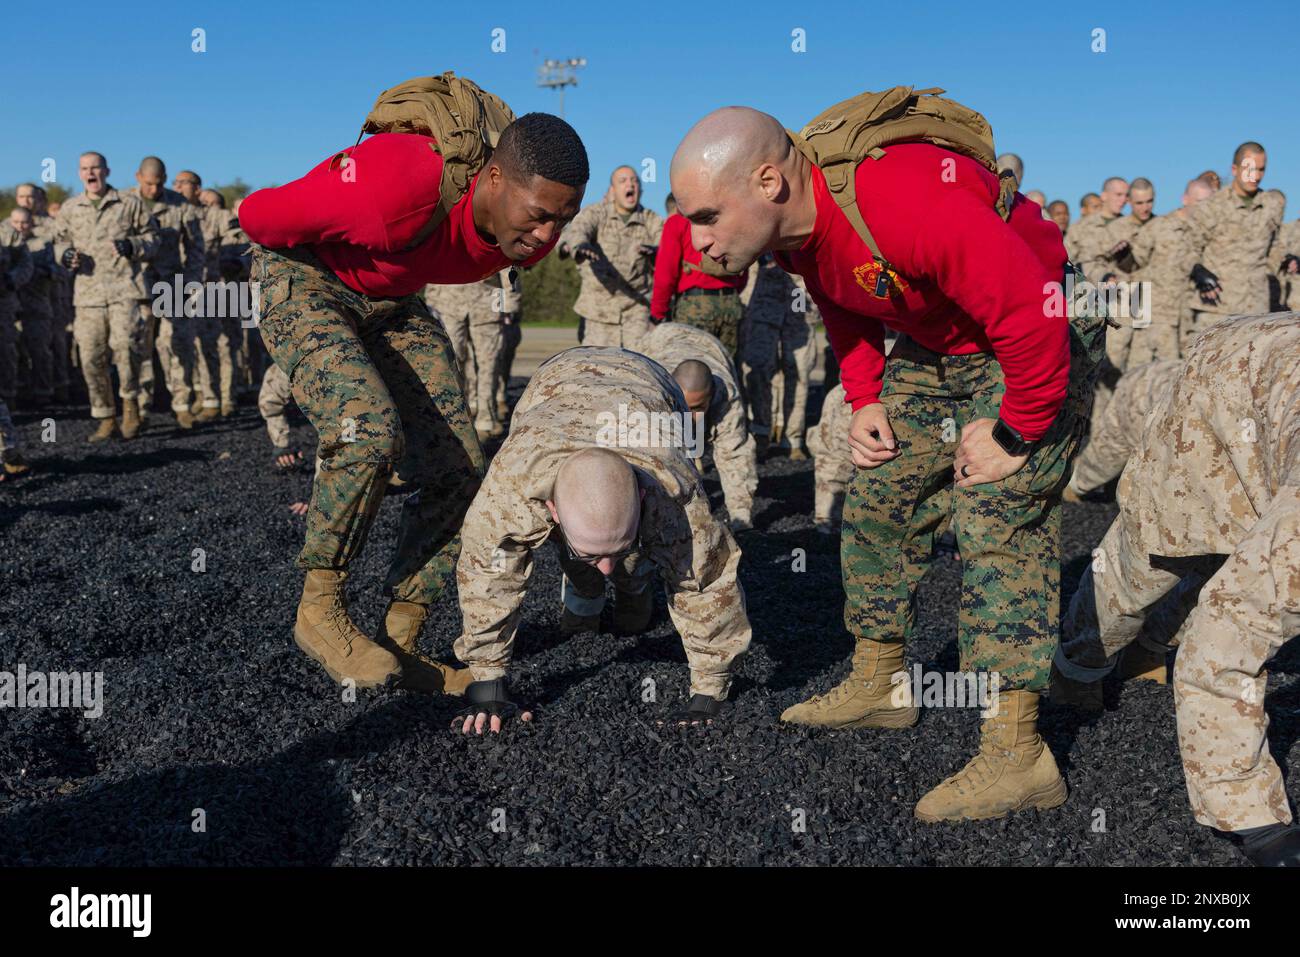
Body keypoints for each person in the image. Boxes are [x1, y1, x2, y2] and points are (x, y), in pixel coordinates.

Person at [670, 101, 1103, 822]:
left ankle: (1019, 752)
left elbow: (1033, 312)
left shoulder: (902, 199)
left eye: (708, 215)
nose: (698, 240)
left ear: (770, 182)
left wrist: (1014, 433)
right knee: (879, 491)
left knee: (999, 508)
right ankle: (882, 684)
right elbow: (843, 297)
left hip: (1035, 328)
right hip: (941, 340)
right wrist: (865, 395)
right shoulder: (796, 235)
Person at [239, 110, 588, 692]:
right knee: (367, 431)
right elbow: (257, 216)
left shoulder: (521, 239)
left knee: (461, 469)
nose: (548, 237)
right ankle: (319, 608)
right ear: (494, 180)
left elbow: (440, 258)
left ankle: (402, 641)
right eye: (541, 215)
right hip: (305, 278)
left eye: (564, 219)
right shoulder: (394, 188)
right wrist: (333, 218)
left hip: (391, 300)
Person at [1053, 313, 1300, 866]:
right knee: (1152, 559)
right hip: (1223, 384)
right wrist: (1258, 823)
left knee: (1235, 562)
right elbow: (1225, 640)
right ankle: (1077, 666)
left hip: (1277, 395)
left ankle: (1147, 651)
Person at [451, 347, 752, 733]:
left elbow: (708, 583)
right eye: (595, 553)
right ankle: (584, 595)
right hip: (553, 381)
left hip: (650, 382)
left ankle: (634, 581)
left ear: (644, 498)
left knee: (637, 572)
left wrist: (709, 694)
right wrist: (488, 685)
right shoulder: (509, 490)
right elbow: (487, 582)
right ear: (552, 511)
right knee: (585, 567)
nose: (606, 567)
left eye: (619, 547)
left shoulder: (674, 489)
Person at [51, 152, 160, 442]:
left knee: (126, 350)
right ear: (79, 174)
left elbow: (154, 238)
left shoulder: (130, 203)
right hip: (87, 295)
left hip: (126, 290)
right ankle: (105, 416)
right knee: (90, 357)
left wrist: (132, 244)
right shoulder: (70, 208)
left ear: (106, 171)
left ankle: (130, 405)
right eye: (85, 168)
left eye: (95, 167)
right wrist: (66, 256)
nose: (91, 173)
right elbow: (59, 242)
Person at [639, 320, 758, 529]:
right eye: (685, 406)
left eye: (698, 407)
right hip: (661, 339)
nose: (691, 415)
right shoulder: (653, 388)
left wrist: (741, 518)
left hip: (710, 346)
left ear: (712, 395)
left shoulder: (726, 394)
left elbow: (735, 454)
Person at [557, 166, 663, 350]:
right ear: (613, 190)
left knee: (638, 369)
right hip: (599, 312)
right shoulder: (597, 213)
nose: (630, 184)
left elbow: (665, 241)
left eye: (635, 181)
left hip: (636, 310)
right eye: (623, 181)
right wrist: (581, 245)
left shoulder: (650, 219)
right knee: (597, 371)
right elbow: (579, 229)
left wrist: (657, 251)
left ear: (640, 189)